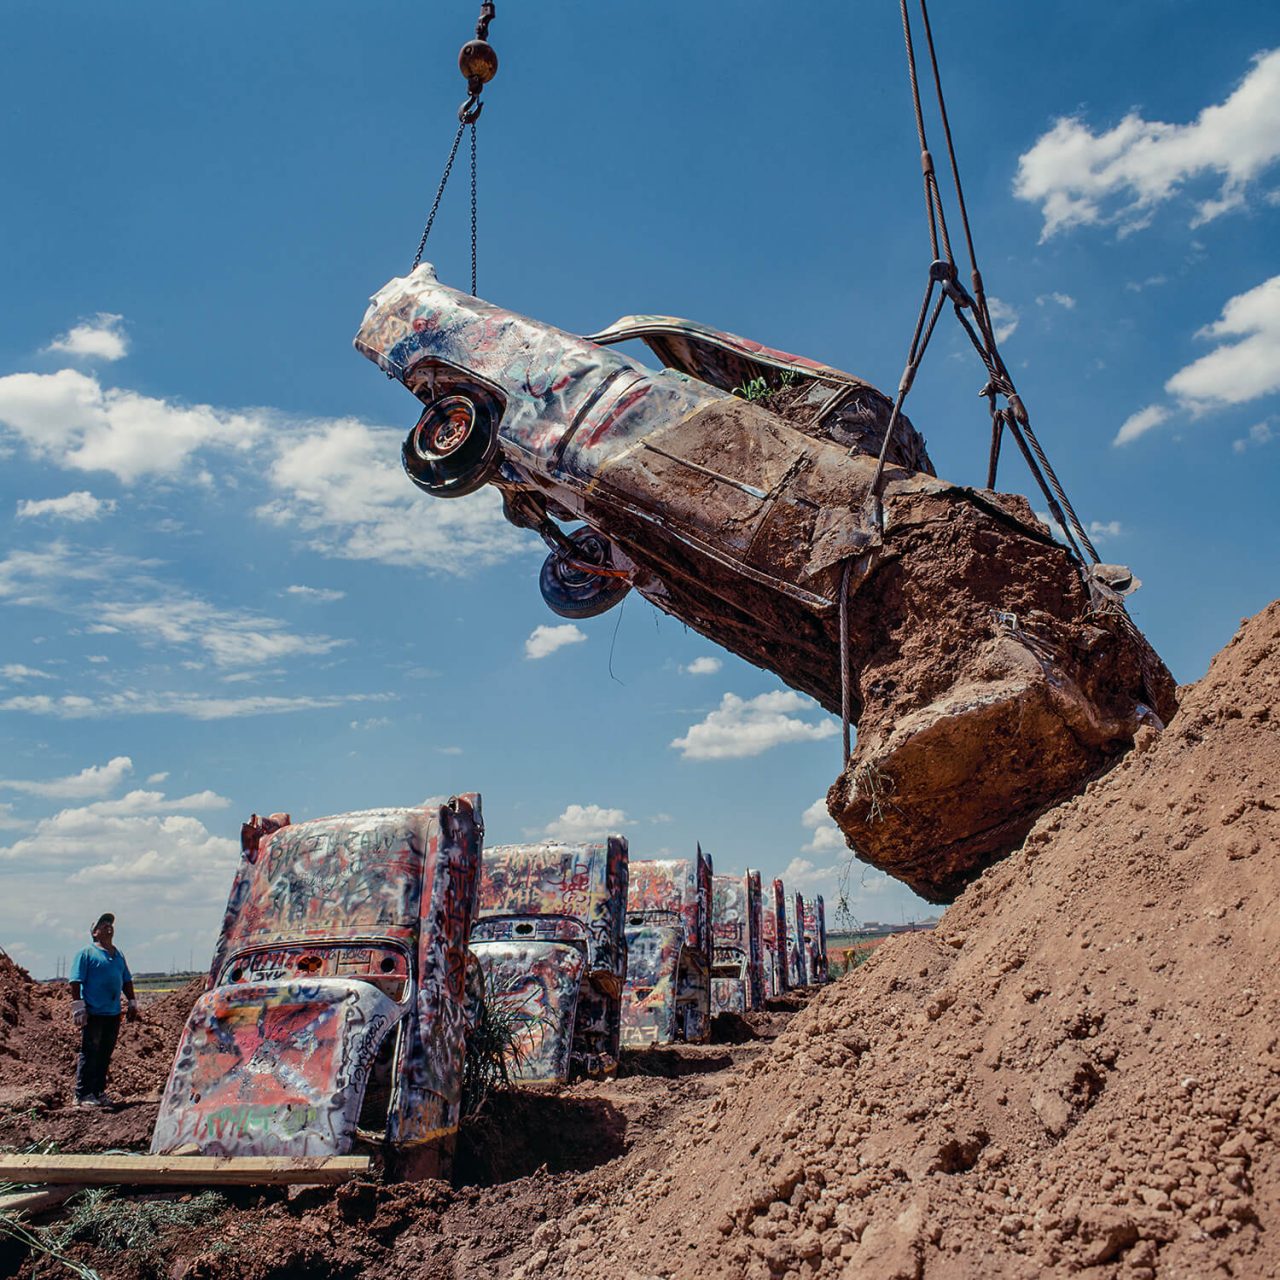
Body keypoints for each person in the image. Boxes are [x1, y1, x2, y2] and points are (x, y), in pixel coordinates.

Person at [68, 912, 140, 1109]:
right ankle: (82, 1094)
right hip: (94, 1012)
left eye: (110, 923)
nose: (109, 926)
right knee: (90, 1052)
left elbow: (126, 979)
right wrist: (78, 1006)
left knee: (105, 1053)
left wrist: (132, 1001)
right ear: (94, 932)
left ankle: (98, 1092)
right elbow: (75, 981)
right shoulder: (86, 954)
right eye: (103, 924)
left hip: (113, 1012)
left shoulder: (118, 955)